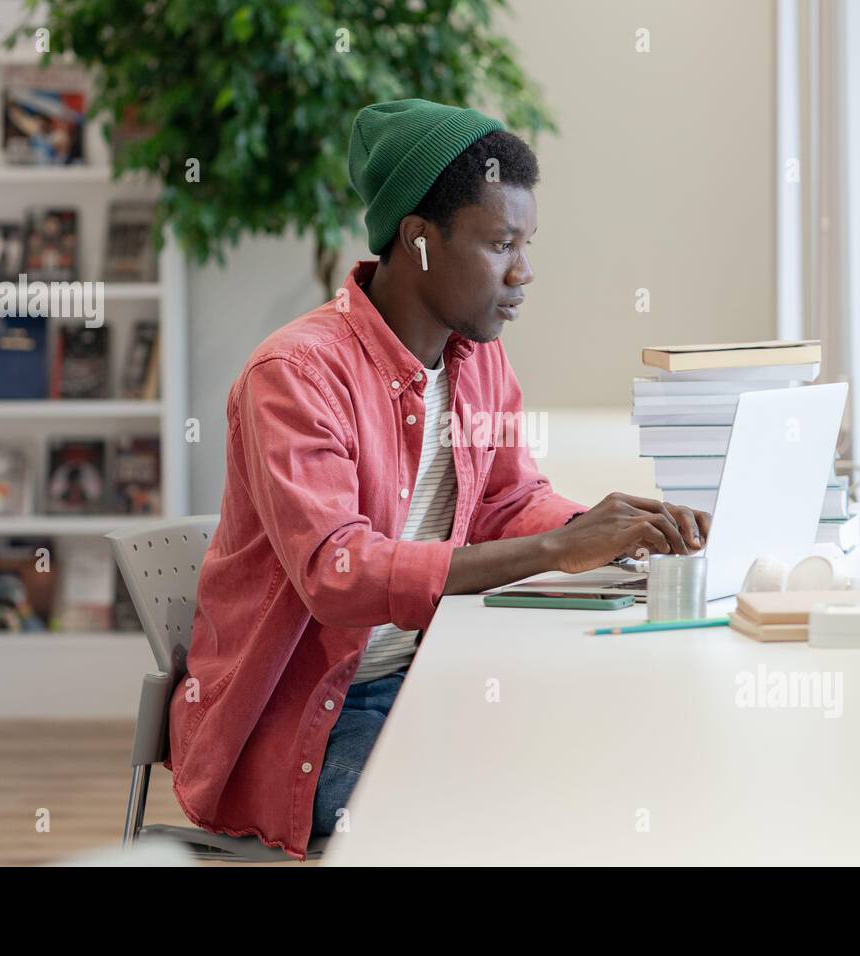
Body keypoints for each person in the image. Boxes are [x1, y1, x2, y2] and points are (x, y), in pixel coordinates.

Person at [166, 98, 707, 860]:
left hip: (420, 682)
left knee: (604, 751)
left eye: (527, 243)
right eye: (499, 244)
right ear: (418, 241)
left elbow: (507, 501)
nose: (524, 272)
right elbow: (337, 572)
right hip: (304, 725)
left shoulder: (476, 358)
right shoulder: (293, 376)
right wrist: (556, 551)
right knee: (503, 811)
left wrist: (615, 534)